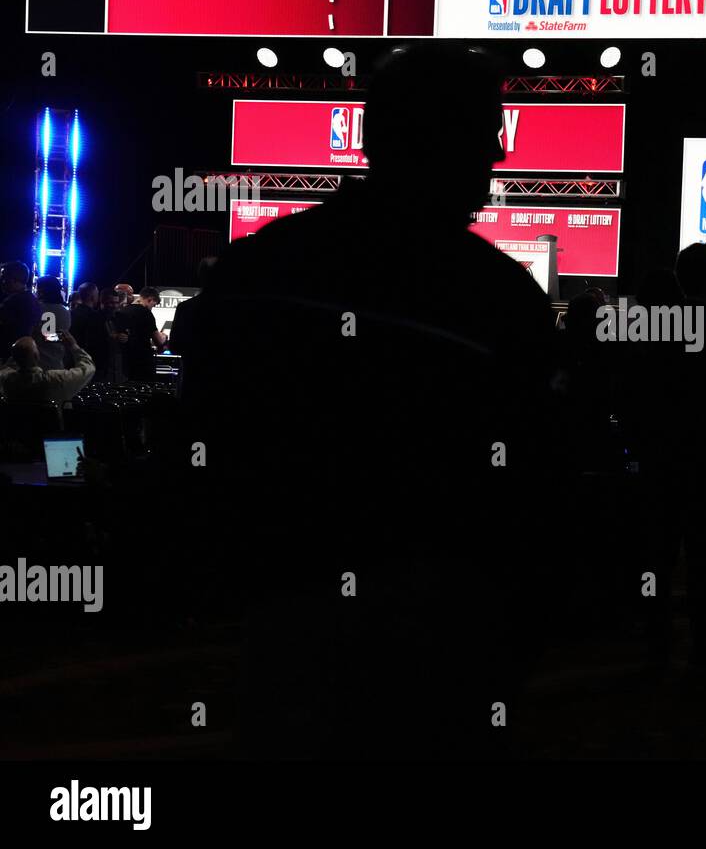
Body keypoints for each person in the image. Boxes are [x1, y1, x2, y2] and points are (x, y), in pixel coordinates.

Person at [185, 43, 557, 759]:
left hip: (287, 611)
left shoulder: (262, 267)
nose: (499, 157)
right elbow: (531, 495)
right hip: (441, 628)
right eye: (489, 135)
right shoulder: (498, 301)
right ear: (452, 141)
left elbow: (206, 435)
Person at [0, 331, 95, 405]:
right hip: (51, 429)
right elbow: (88, 368)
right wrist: (73, 346)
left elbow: (14, 360)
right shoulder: (54, 380)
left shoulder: (6, 380)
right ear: (37, 355)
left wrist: (22, 350)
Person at [166, 256, 216, 357]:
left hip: (193, 368)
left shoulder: (185, 307)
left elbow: (175, 346)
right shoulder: (235, 309)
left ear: (200, 275)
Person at [114, 287, 165, 381]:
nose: (151, 308)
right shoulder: (146, 313)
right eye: (153, 305)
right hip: (143, 362)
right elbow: (158, 341)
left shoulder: (122, 311)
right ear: (150, 300)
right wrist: (164, 336)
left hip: (125, 362)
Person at [70, 282, 112, 382]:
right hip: (93, 364)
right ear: (93, 297)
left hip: (73, 361)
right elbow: (102, 343)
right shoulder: (97, 317)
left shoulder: (70, 314)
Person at [0, 262, 41, 362]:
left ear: (13, 280)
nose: (2, 282)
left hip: (10, 358)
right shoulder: (32, 299)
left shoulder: (12, 302)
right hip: (24, 356)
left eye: (4, 278)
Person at [34, 275, 71, 371]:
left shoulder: (37, 309)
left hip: (37, 363)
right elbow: (61, 336)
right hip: (57, 362)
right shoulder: (65, 311)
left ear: (41, 291)